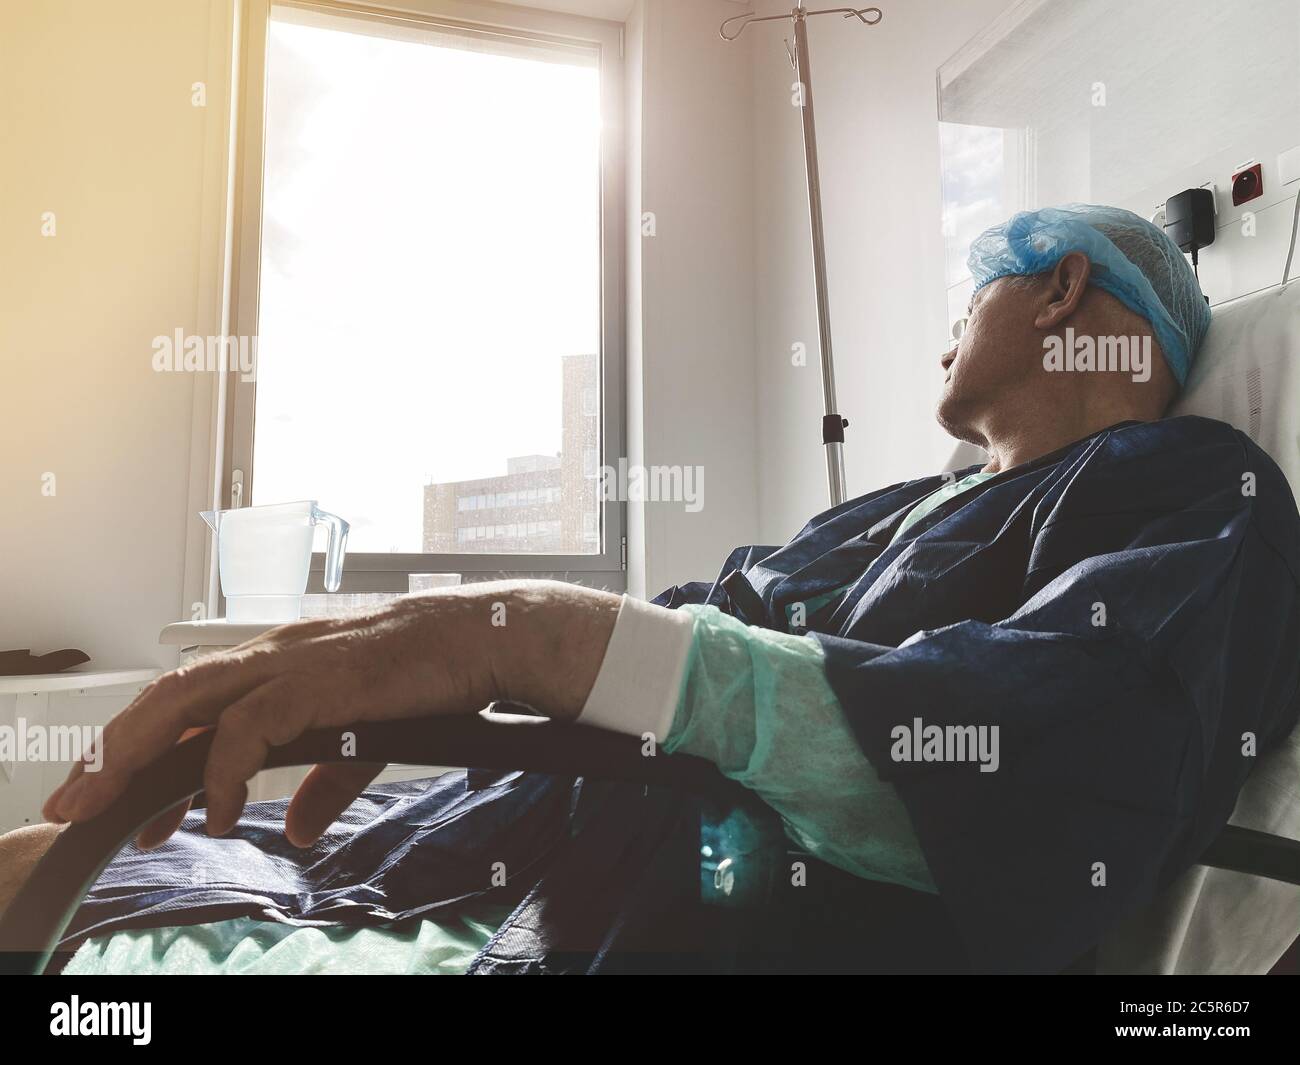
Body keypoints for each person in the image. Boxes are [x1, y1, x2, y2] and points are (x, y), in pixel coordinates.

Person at [4, 205, 1298, 973]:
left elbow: (1052, 747)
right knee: (76, 849)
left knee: (75, 876)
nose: (946, 331)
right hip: (532, 811)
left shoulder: (1193, 490)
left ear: (1063, 284)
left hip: (666, 895)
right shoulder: (911, 500)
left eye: (972, 293)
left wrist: (537, 637)